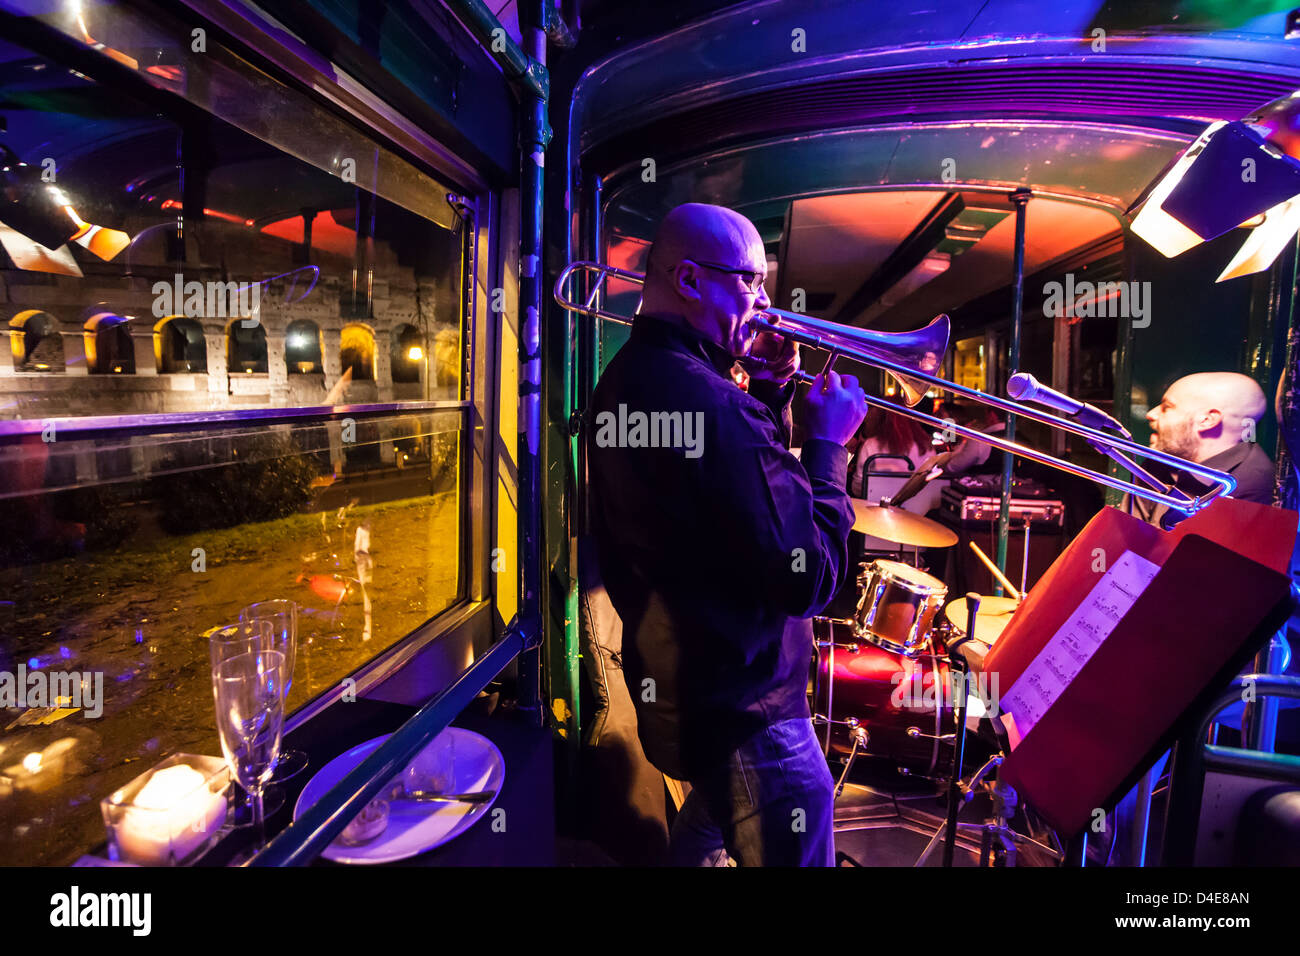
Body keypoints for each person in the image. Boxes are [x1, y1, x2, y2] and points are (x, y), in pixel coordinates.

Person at [586, 202, 869, 866]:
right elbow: (811, 577)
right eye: (751, 282)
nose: (767, 305)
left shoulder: (626, 381)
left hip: (689, 696)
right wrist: (829, 445)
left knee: (706, 825)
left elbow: (718, 510)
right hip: (754, 714)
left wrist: (769, 396)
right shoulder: (715, 405)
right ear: (689, 280)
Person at [1131, 371, 1273, 528]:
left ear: (1207, 420)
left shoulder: (1255, 487)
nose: (1151, 414)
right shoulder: (1159, 463)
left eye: (1167, 407)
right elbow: (1126, 536)